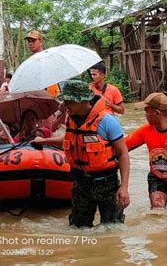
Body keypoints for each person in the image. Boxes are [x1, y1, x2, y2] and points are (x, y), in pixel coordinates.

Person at [33, 80, 130, 228]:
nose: (65, 105)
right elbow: (68, 140)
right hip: (81, 184)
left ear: (82, 101)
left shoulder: (107, 121)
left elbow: (123, 154)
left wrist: (124, 187)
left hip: (107, 184)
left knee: (112, 229)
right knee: (78, 228)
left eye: (69, 101)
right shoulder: (70, 119)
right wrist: (44, 141)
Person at [25, 30, 60, 98]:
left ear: (41, 41)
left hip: (49, 94)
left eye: (33, 41)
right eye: (29, 41)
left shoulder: (47, 57)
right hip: (35, 95)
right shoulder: (30, 61)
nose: (30, 43)